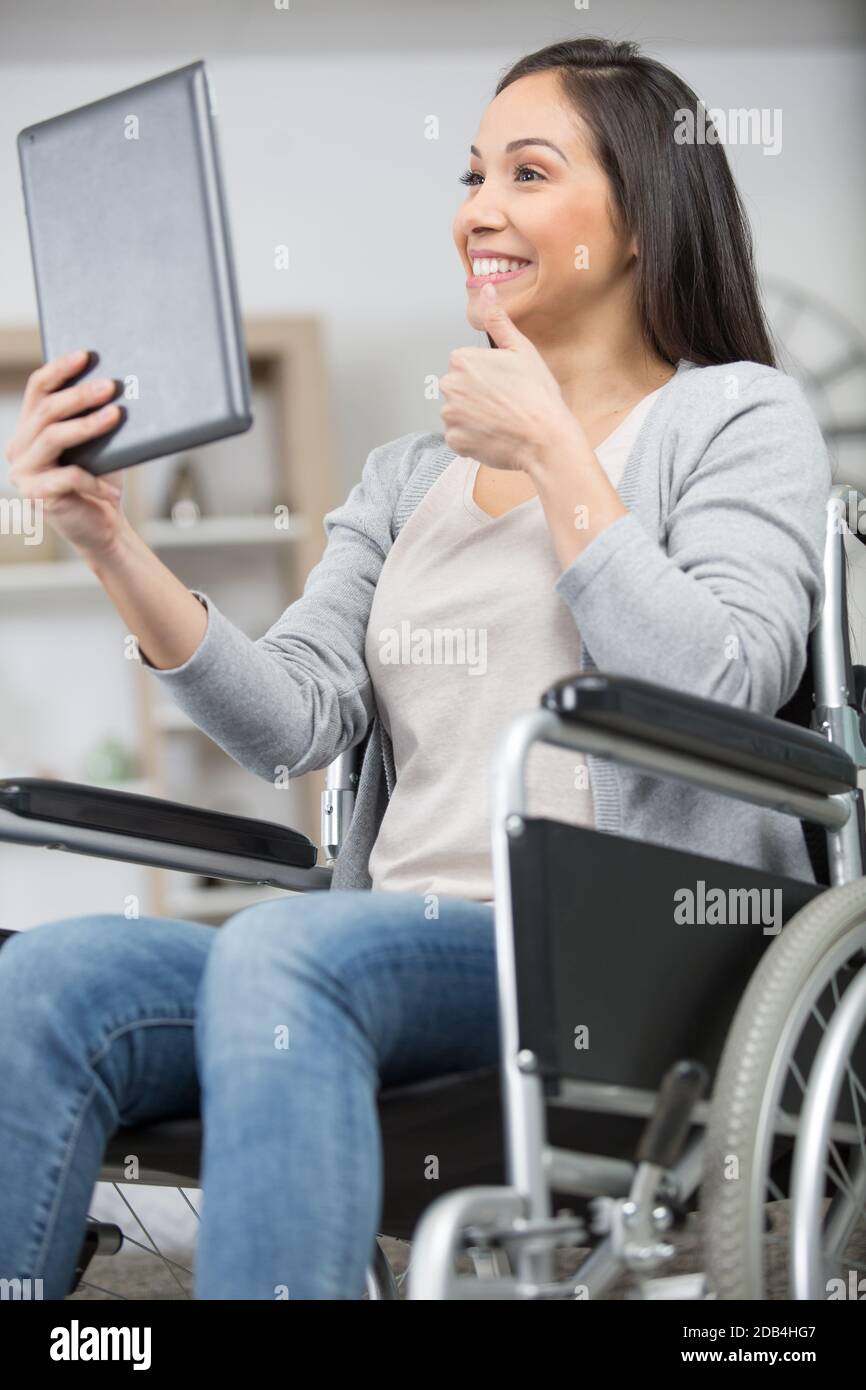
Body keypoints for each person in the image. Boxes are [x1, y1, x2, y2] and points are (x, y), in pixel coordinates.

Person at [0, 36, 831, 1298]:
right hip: (401, 949)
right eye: (469, 174)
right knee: (51, 972)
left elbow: (715, 682)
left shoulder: (737, 417)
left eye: (528, 172)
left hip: (632, 952)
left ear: (646, 221)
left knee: (291, 951)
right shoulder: (406, 477)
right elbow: (287, 721)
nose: (476, 211)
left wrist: (554, 448)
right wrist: (113, 539)